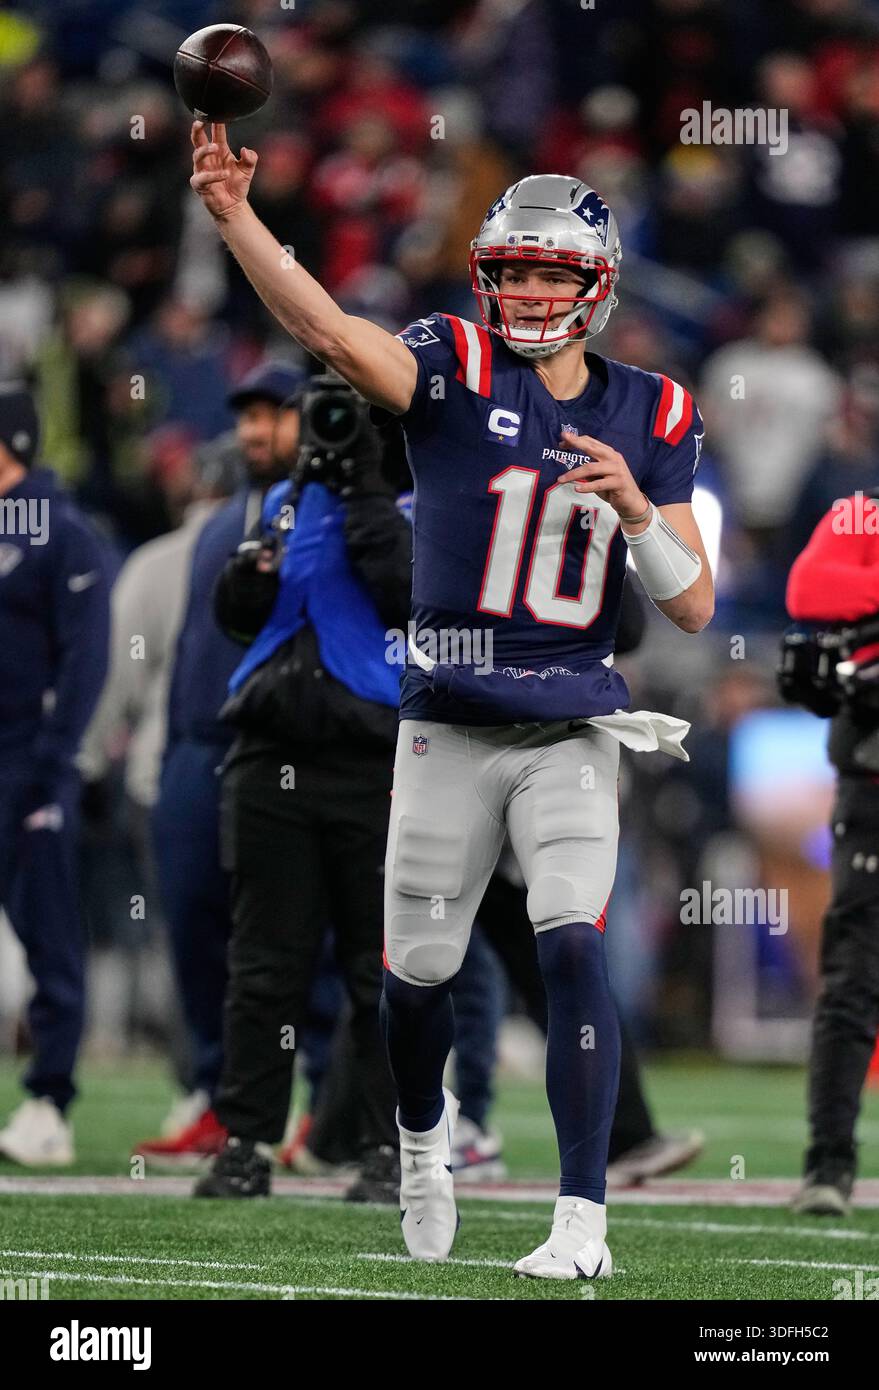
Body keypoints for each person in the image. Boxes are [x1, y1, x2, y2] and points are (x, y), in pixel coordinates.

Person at [189, 126, 713, 1278]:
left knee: (572, 945)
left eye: (549, 272)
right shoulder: (453, 365)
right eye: (513, 270)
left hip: (574, 725)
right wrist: (236, 217)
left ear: (596, 284)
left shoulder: (656, 412)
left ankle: (583, 1223)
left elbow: (691, 605)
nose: (527, 291)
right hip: (444, 725)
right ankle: (422, 1142)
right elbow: (327, 330)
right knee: (416, 981)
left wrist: (633, 512)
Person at [195, 377, 410, 1203]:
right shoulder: (278, 502)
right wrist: (250, 573)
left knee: (379, 967)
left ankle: (388, 1148)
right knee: (262, 966)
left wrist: (362, 489)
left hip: (372, 759)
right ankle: (245, 1141)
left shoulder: (422, 502)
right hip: (269, 749)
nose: (332, 432)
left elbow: (403, 591)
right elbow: (240, 619)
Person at [137, 363, 306, 1166]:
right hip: (199, 748)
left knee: (303, 938)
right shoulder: (213, 528)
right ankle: (211, 1090)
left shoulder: (325, 514)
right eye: (246, 417)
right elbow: (187, 656)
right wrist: (169, 752)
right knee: (196, 928)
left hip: (286, 753)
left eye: (273, 417)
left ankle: (329, 1102)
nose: (253, 431)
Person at [0, 381, 111, 1165]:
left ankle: (49, 1100)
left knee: (49, 934)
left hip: (27, 763)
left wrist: (53, 758)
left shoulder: (61, 531)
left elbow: (87, 658)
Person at [783, 493, 879, 1215]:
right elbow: (807, 588)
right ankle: (828, 1166)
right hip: (872, 779)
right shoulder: (861, 512)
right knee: (851, 979)